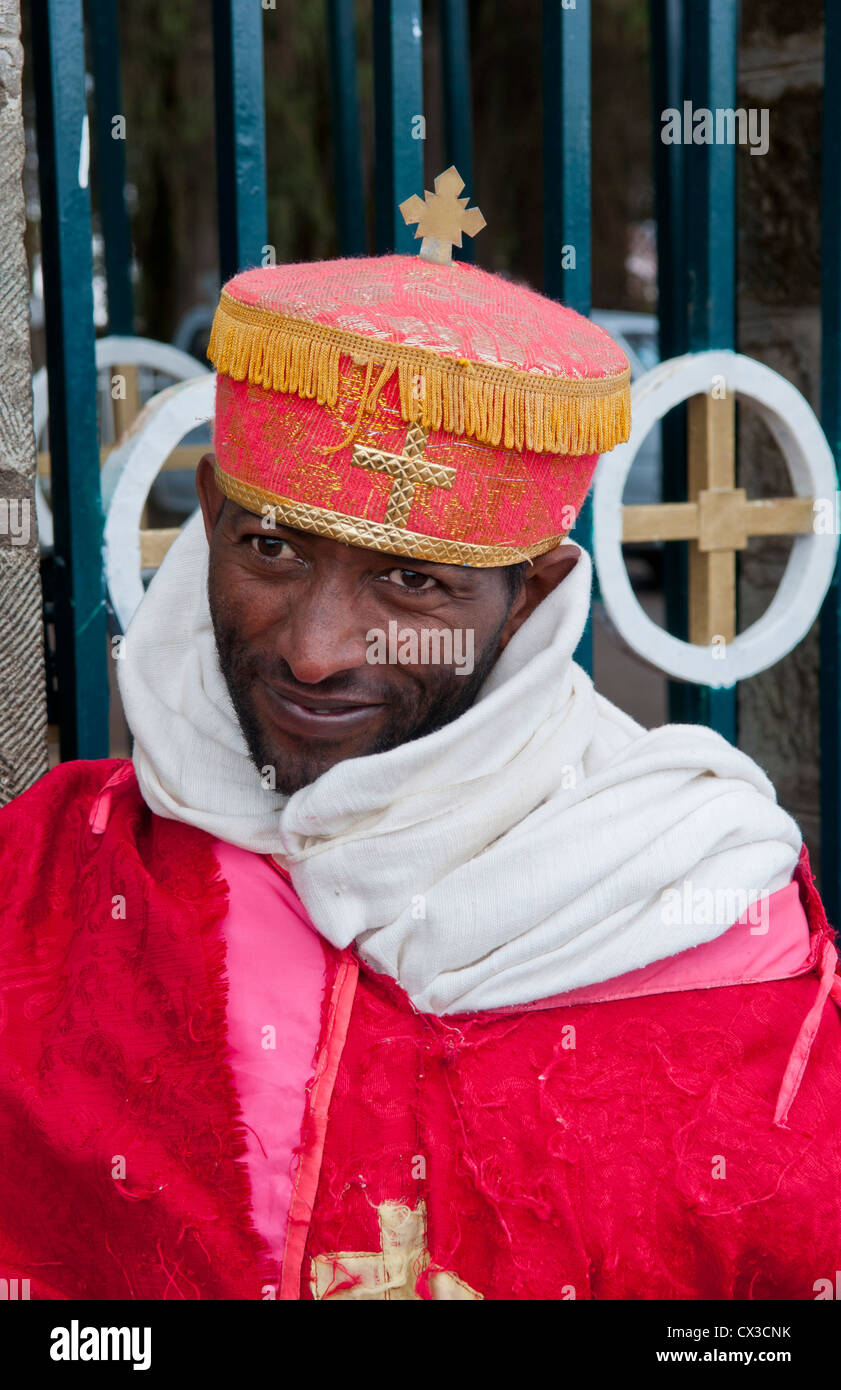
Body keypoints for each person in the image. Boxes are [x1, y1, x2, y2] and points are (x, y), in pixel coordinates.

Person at [1, 221, 839, 1302]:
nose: (315, 650)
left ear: (531, 595)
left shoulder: (709, 915)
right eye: (272, 549)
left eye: (411, 584)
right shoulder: (51, 880)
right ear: (209, 518)